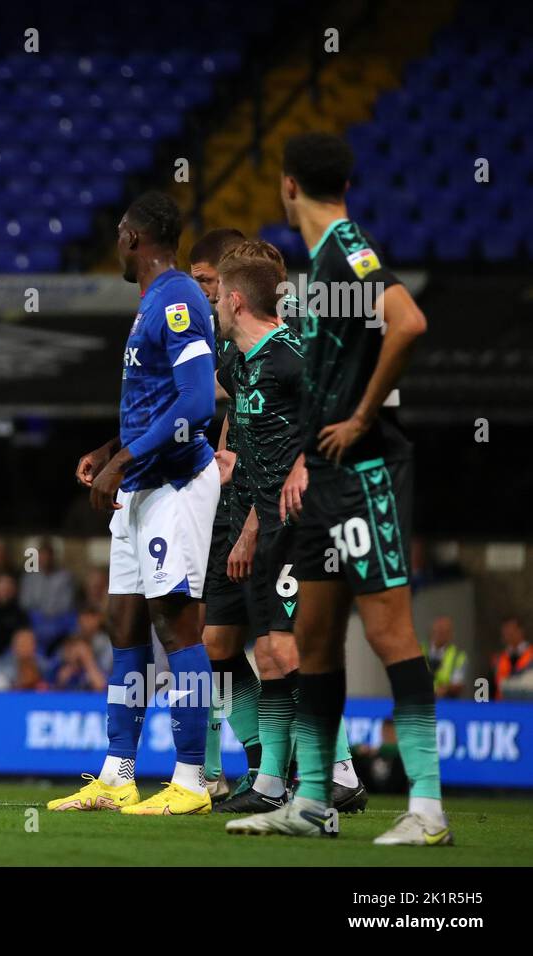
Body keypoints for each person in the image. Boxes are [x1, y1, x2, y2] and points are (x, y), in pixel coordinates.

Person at [232, 132, 447, 845]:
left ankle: (427, 808)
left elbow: (407, 320)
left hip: (365, 477)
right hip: (323, 479)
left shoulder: (349, 250)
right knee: (316, 638)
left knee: (389, 632)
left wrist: (359, 418)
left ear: (288, 185)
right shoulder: (321, 265)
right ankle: (315, 802)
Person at [49, 192, 219, 816]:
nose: (115, 245)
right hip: (140, 485)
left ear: (132, 237)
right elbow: (159, 404)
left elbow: (198, 404)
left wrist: (125, 461)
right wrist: (111, 448)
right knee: (125, 626)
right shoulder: (153, 301)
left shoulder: (176, 300)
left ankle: (192, 782)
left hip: (173, 485)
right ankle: (119, 774)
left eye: (118, 235)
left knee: (177, 626)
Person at [201, 241, 366, 819]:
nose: (213, 303)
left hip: (307, 521)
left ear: (237, 300)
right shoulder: (243, 362)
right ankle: (273, 781)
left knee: (287, 650)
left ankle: (328, 776)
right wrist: (231, 465)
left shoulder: (293, 355)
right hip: (266, 518)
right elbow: (249, 434)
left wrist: (304, 467)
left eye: (217, 294)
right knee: (270, 652)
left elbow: (343, 413)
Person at [187, 227, 264, 802]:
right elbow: (220, 404)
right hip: (232, 504)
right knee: (217, 642)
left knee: (287, 644)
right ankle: (234, 769)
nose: (202, 297)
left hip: (274, 507)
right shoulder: (232, 352)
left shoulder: (280, 346)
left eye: (208, 284)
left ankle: (330, 770)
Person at [425, 616, 467, 699]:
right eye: (438, 630)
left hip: (446, 704)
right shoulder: (419, 651)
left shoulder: (458, 656)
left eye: (444, 631)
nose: (440, 634)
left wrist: (444, 689)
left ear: (450, 635)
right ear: (431, 631)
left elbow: (458, 684)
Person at [494, 616, 531, 700]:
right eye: (505, 632)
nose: (508, 635)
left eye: (511, 631)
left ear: (520, 631)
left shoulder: (531, 655)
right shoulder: (500, 658)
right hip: (503, 706)